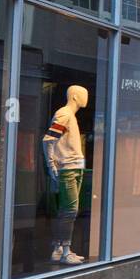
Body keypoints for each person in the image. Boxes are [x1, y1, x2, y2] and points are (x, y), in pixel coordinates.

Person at [43, 85, 89, 266]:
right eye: (84, 94)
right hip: (68, 169)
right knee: (70, 211)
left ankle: (58, 248)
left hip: (74, 168)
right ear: (75, 97)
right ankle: (65, 252)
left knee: (65, 211)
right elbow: (48, 139)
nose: (87, 97)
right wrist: (51, 164)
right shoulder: (65, 114)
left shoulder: (70, 116)